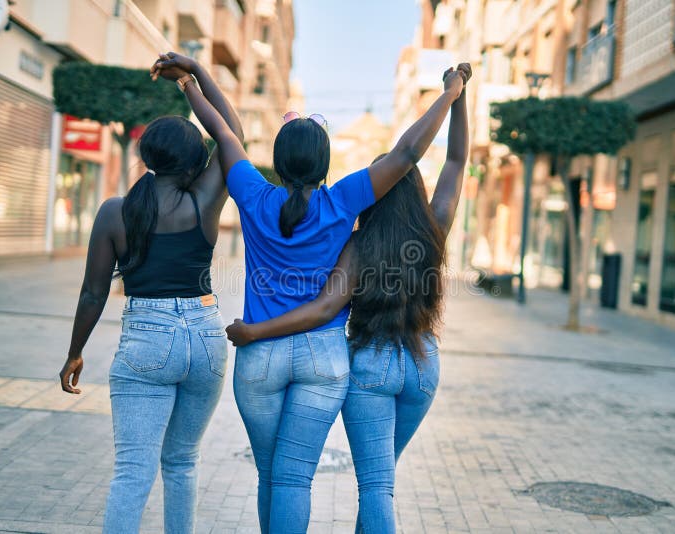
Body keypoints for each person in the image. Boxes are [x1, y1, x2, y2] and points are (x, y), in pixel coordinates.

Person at [152, 54, 467, 533]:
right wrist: (452, 92)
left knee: (272, 475)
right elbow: (408, 155)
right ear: (325, 165)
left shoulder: (255, 195)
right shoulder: (343, 201)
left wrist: (191, 83)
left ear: (278, 163)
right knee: (298, 479)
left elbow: (224, 134)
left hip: (259, 360)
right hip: (325, 358)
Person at [58, 57, 245, 533]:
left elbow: (92, 293)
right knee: (182, 463)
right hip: (205, 339)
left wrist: (75, 353)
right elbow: (232, 136)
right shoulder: (203, 201)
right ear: (193, 161)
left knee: (132, 471)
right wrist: (195, 78)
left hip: (147, 340)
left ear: (145, 155)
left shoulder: (114, 212)